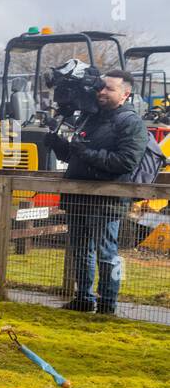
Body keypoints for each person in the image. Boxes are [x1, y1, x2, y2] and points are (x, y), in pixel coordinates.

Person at [52, 69, 145, 313]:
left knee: (107, 252)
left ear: (125, 94)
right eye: (101, 87)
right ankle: (83, 298)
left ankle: (107, 303)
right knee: (81, 250)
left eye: (109, 89)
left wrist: (87, 153)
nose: (101, 92)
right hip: (78, 196)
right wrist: (59, 146)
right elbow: (75, 155)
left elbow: (126, 161)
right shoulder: (89, 117)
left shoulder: (130, 122)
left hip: (107, 199)